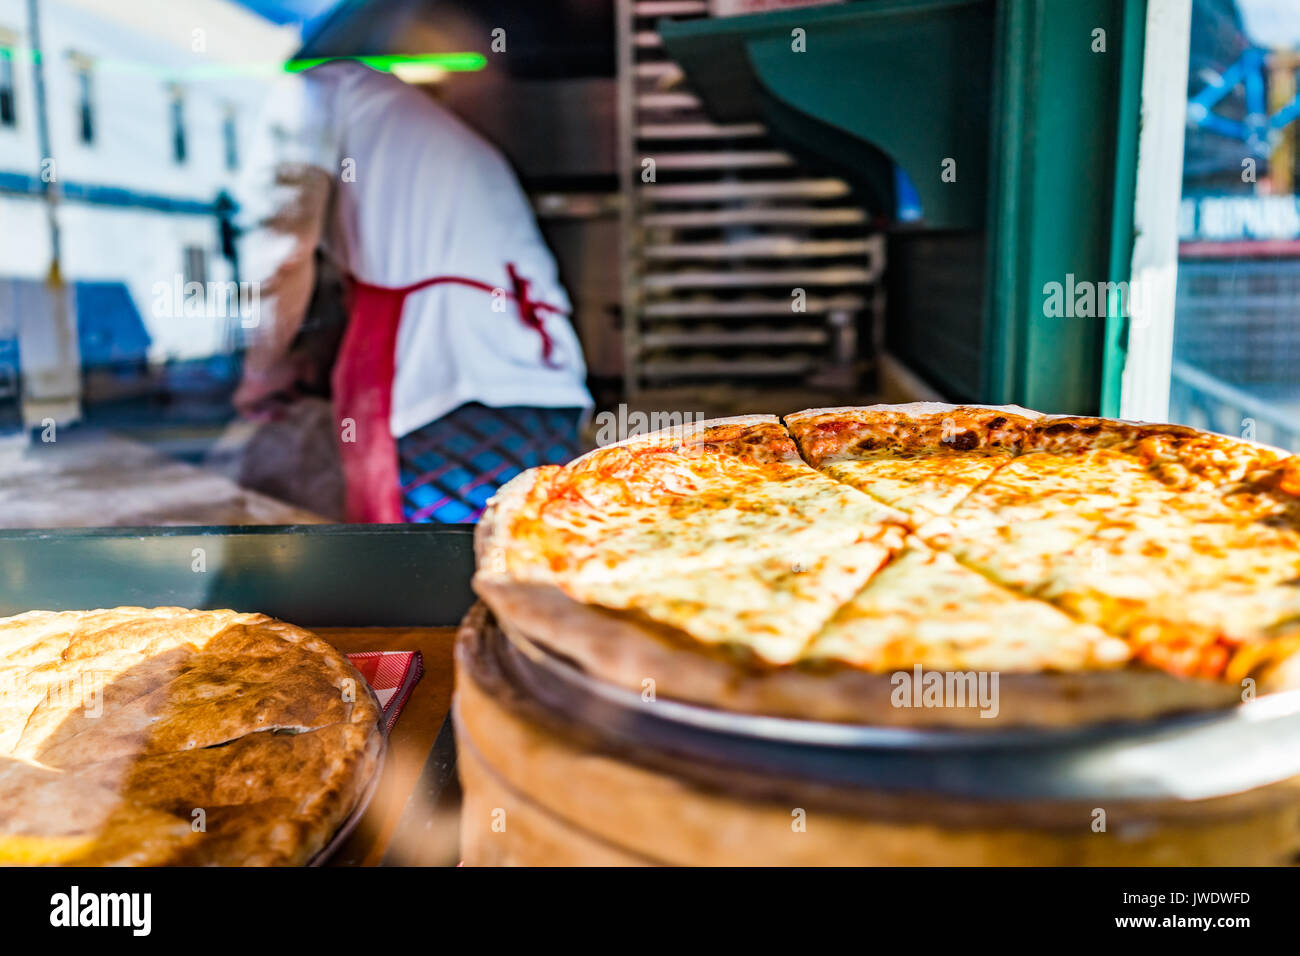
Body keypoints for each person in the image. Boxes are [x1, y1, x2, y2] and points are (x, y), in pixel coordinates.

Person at [234, 59, 592, 523]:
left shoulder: (310, 91)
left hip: (449, 400)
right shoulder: (398, 120)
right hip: (543, 397)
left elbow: (283, 249)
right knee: (531, 564)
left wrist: (261, 369)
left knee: (429, 581)